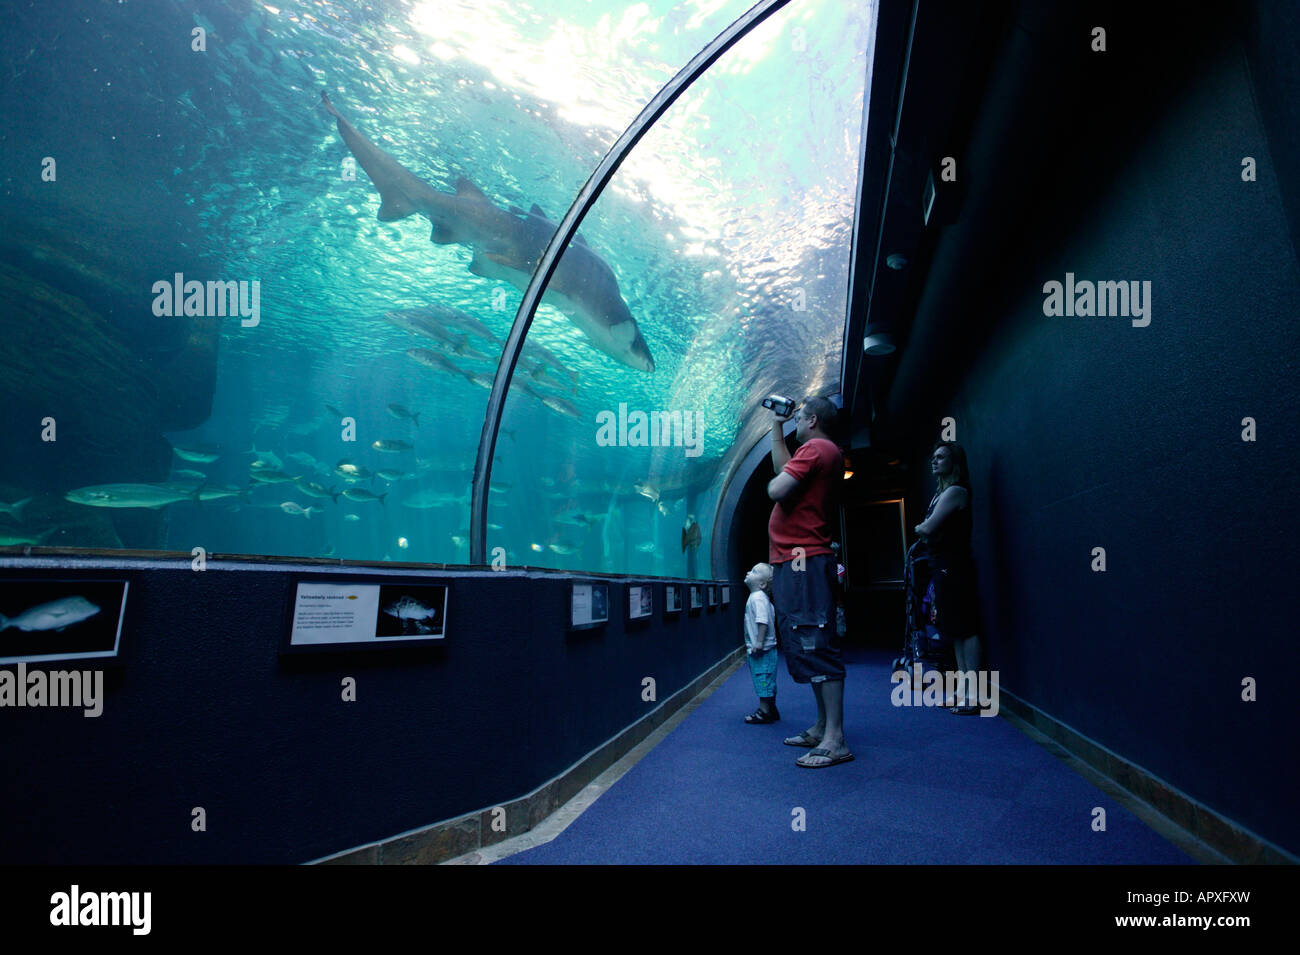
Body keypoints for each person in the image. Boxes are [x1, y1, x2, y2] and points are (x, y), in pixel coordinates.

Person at [767, 394, 852, 768]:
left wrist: (778, 481)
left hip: (804, 559)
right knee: (806, 640)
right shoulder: (817, 451)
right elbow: (785, 468)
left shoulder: (817, 448)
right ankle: (821, 726)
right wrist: (776, 426)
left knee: (817, 641)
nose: (796, 421)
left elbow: (777, 487)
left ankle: (835, 739)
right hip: (796, 560)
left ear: (814, 420)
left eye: (799, 417)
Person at [913, 441, 984, 714]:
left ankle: (974, 695)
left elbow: (928, 528)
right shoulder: (940, 493)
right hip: (942, 565)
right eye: (933, 456)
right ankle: (963, 690)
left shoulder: (955, 491)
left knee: (965, 627)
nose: (934, 461)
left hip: (955, 565)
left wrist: (922, 527)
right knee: (954, 629)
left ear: (954, 462)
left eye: (941, 457)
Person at [742, 562, 779, 724]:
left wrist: (758, 642)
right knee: (767, 679)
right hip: (766, 651)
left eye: (754, 571)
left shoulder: (757, 598)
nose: (749, 572)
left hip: (762, 650)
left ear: (762, 583)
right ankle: (771, 708)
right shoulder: (761, 598)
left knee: (763, 679)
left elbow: (762, 621)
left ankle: (765, 712)